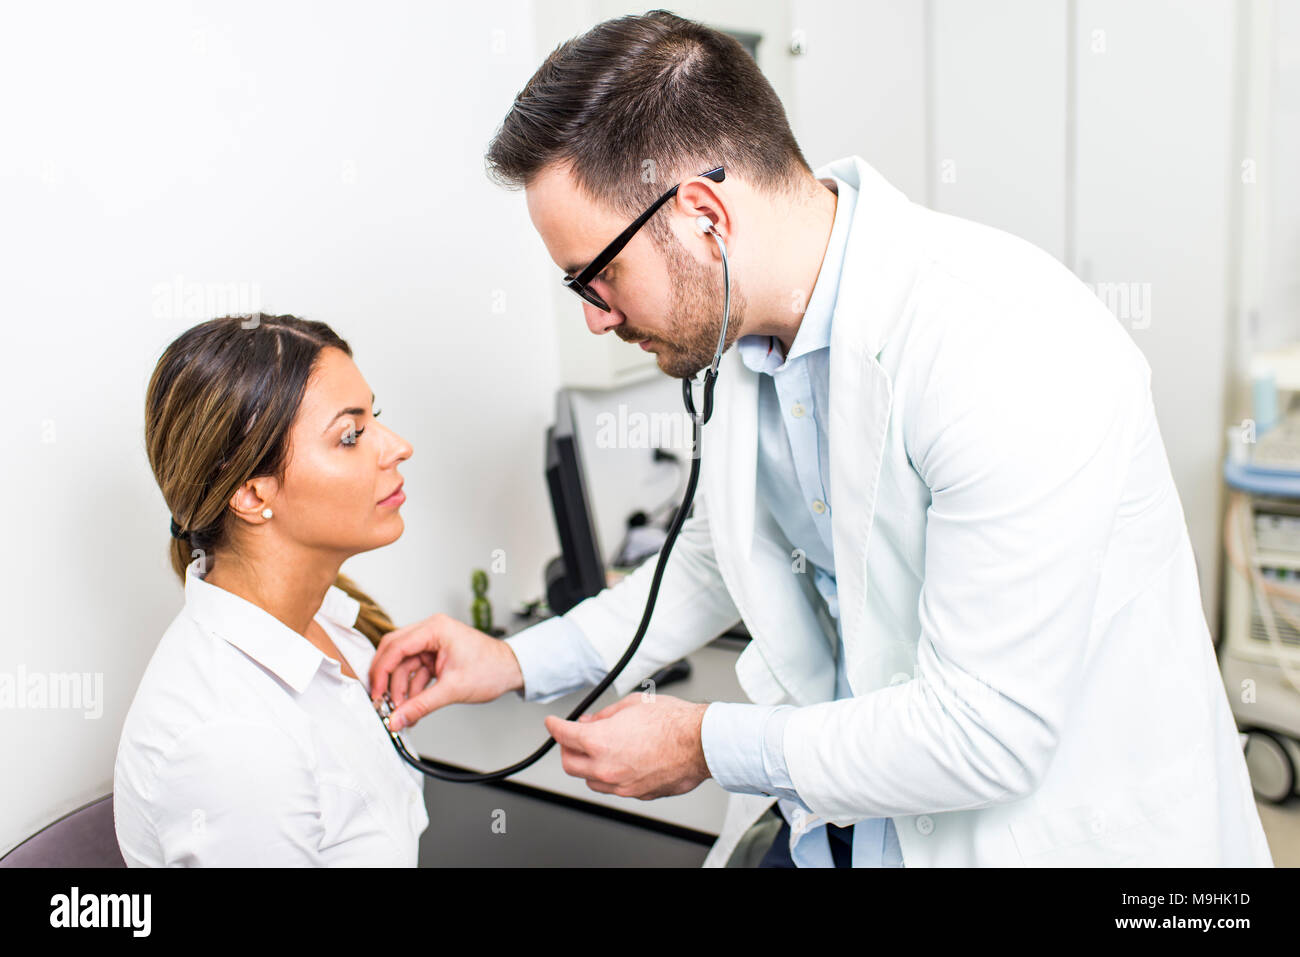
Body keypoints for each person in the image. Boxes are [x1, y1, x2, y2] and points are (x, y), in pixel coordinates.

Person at [370, 10, 1273, 867]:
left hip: (1057, 835)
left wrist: (705, 742)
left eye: (594, 278)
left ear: (704, 218)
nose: (597, 320)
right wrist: (517, 657)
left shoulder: (1005, 342)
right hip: (862, 822)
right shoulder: (742, 339)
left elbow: (985, 733)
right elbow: (719, 559)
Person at [116, 313, 427, 866]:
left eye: (373, 417)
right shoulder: (232, 742)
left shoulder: (330, 625)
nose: (398, 447)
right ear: (253, 495)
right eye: (350, 436)